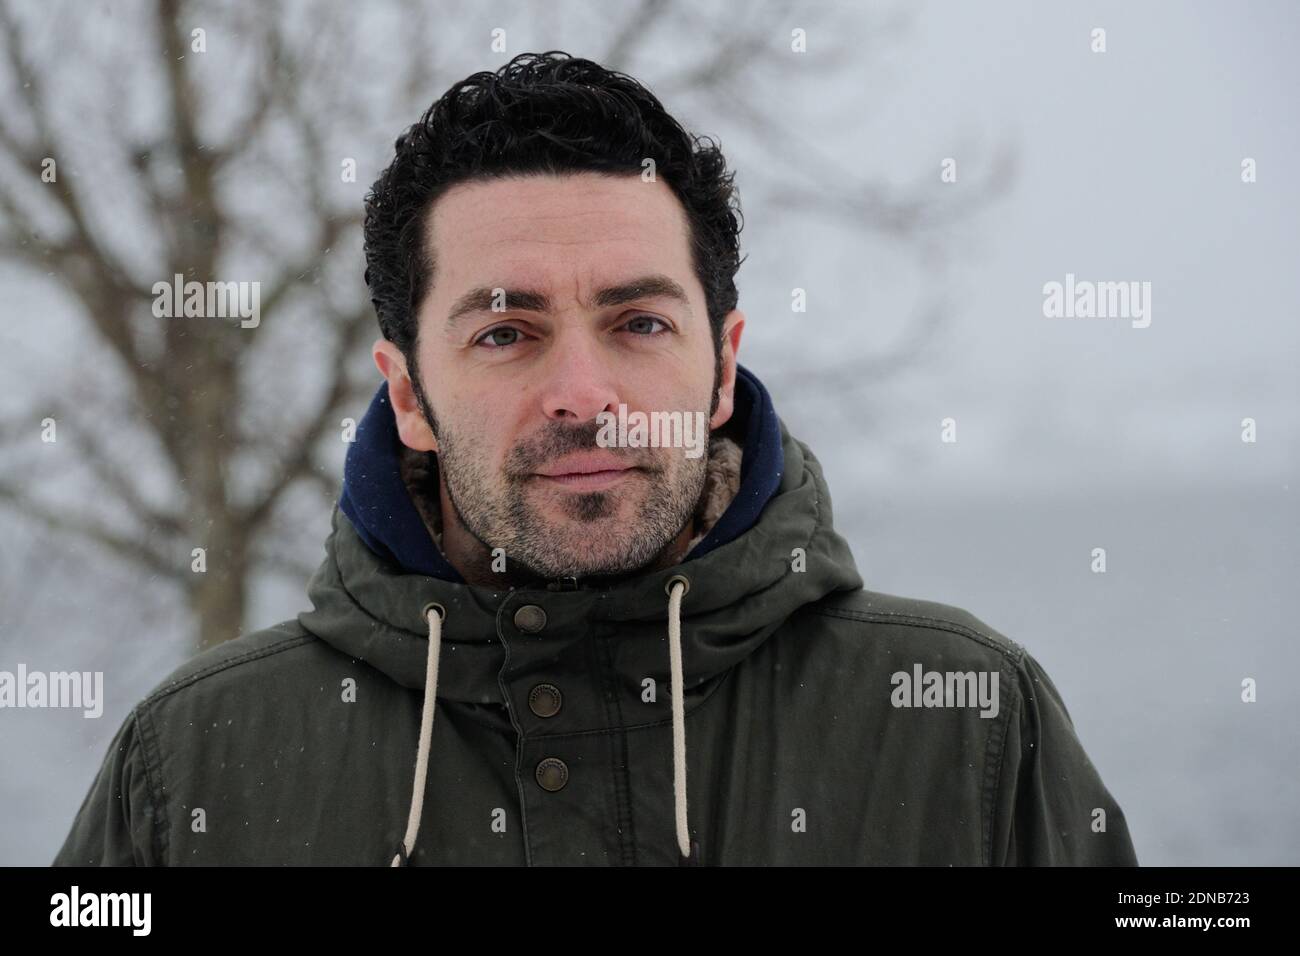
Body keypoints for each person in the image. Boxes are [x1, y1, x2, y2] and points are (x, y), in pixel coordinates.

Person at [54, 51, 1137, 866]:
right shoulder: (193, 766)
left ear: (721, 370)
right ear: (407, 394)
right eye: (503, 332)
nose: (582, 392)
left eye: (638, 323)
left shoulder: (963, 724)